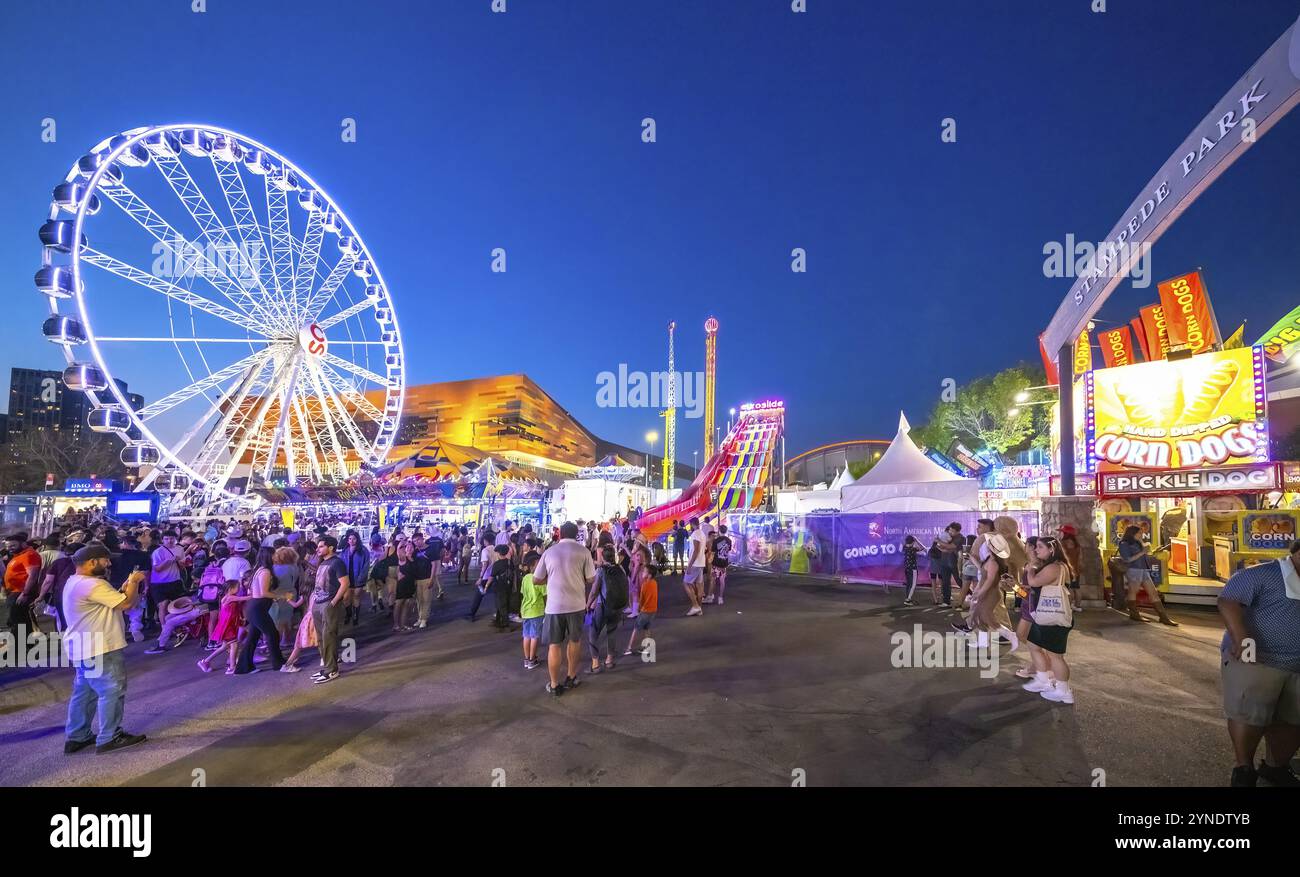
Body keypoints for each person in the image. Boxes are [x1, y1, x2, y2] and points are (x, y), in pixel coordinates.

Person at [1217, 539, 1300, 786]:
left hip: (1297, 665)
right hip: (1257, 660)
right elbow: (1228, 600)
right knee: (1248, 716)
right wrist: (1241, 637)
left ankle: (1275, 767)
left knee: (1293, 719)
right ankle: (1244, 768)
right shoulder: (1263, 574)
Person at [61, 544, 147, 754]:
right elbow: (127, 604)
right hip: (100, 647)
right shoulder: (93, 584)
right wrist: (135, 582)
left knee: (85, 692)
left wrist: (127, 585)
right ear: (92, 562)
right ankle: (110, 736)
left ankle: (77, 736)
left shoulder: (76, 582)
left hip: (83, 647)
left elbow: (113, 600)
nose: (109, 563)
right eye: (105, 560)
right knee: (112, 691)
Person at [533, 522, 596, 696]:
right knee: (574, 641)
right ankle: (571, 676)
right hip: (576, 605)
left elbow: (536, 579)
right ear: (576, 535)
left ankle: (554, 685)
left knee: (554, 645)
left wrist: (551, 579)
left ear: (560, 534)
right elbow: (591, 578)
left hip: (554, 606)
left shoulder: (549, 552)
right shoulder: (583, 552)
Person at [1021, 535, 1075, 704]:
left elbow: (1035, 582)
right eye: (1035, 547)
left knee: (1055, 656)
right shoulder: (1053, 566)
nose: (1036, 550)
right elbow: (1034, 587)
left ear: (1051, 549)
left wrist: (1030, 569)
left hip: (1053, 617)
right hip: (1045, 614)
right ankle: (1043, 680)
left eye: (1039, 547)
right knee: (1033, 645)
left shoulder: (1054, 567)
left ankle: (1063, 691)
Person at [1117, 526, 1179, 626]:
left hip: (1143, 569)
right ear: (1133, 533)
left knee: (1153, 592)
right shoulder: (1124, 544)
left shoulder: (1137, 542)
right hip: (1133, 569)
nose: (1141, 535)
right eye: (1139, 533)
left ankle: (1163, 617)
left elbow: (1144, 554)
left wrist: (1147, 549)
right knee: (1133, 591)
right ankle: (1134, 614)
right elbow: (1127, 559)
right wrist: (1142, 552)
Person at [309, 535, 351, 684]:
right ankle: (327, 667)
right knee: (321, 638)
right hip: (318, 603)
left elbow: (345, 583)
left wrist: (333, 602)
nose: (318, 549)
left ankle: (332, 670)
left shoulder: (337, 562)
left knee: (329, 637)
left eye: (321, 546)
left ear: (330, 547)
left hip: (328, 604)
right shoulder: (323, 562)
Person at [586, 545, 628, 674]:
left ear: (602, 557)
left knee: (593, 632)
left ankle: (595, 663)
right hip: (618, 606)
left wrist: (588, 604)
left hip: (603, 606)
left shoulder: (601, 571)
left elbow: (594, 591)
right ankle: (609, 660)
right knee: (612, 631)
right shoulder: (620, 568)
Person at [198, 580, 247, 674]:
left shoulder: (228, 597)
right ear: (231, 589)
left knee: (224, 646)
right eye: (237, 587)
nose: (239, 588)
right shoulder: (230, 597)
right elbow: (246, 598)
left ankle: (205, 662)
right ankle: (232, 667)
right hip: (228, 626)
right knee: (234, 644)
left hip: (227, 625)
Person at [4, 533, 42, 638]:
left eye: (12, 546)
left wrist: (25, 594)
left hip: (20, 593)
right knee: (19, 620)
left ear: (23, 544)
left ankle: (17, 647)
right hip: (15, 592)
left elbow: (32, 576)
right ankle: (25, 645)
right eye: (7, 546)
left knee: (18, 621)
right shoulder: (20, 555)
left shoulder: (29, 555)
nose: (9, 549)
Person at [150, 531, 185, 628]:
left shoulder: (180, 549)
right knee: (163, 605)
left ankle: (177, 627)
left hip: (175, 581)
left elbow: (182, 566)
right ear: (162, 540)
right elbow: (157, 569)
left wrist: (179, 562)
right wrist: (168, 561)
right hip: (159, 583)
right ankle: (164, 628)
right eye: (166, 539)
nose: (169, 541)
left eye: (172, 538)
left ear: (175, 539)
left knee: (176, 605)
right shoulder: (158, 552)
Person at [520, 550, 546, 669]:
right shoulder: (539, 579)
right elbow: (546, 594)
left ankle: (526, 659)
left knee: (526, 635)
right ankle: (532, 659)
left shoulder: (525, 578)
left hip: (525, 610)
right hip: (537, 611)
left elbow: (523, 593)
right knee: (535, 636)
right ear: (532, 566)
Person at [624, 568, 658, 658]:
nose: (642, 572)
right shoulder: (654, 583)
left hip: (645, 611)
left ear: (649, 575)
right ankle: (647, 648)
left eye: (644, 571)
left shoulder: (645, 585)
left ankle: (629, 648)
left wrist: (639, 609)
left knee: (636, 628)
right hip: (653, 610)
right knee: (647, 628)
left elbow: (641, 600)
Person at [340, 530, 370, 626]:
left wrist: (362, 577)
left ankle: (355, 616)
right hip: (347, 578)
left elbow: (366, 566)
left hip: (358, 578)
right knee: (346, 598)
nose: (351, 540)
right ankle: (348, 613)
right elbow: (340, 564)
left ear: (357, 539)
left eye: (353, 538)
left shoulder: (364, 551)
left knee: (356, 597)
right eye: (349, 539)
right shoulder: (344, 551)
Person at [682, 517, 708, 616]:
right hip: (701, 563)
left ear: (692, 524)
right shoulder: (702, 534)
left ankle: (695, 606)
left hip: (695, 564)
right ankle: (699, 608)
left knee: (686, 583)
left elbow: (696, 550)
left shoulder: (696, 534)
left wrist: (690, 565)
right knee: (699, 585)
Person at [392, 540, 417, 633]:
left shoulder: (414, 559)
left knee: (407, 603)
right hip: (401, 584)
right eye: (407, 547)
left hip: (410, 584)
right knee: (398, 603)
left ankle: (404, 624)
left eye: (411, 547)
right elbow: (398, 548)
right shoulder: (402, 557)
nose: (410, 549)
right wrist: (403, 541)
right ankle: (396, 625)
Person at [1059, 525, 1084, 612]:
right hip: (1076, 570)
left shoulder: (1062, 543)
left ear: (1065, 533)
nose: (1060, 533)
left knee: (1069, 589)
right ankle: (1077, 606)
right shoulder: (1077, 545)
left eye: (1061, 532)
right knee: (1076, 588)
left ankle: (1069, 606)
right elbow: (1080, 559)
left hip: (1067, 569)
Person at [901, 535, 921, 606]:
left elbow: (905, 545)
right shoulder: (913, 549)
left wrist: (913, 541)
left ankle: (908, 598)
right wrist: (917, 540)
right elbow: (923, 548)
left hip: (907, 568)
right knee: (913, 584)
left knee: (909, 584)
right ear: (913, 542)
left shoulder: (904, 547)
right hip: (913, 569)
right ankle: (908, 600)